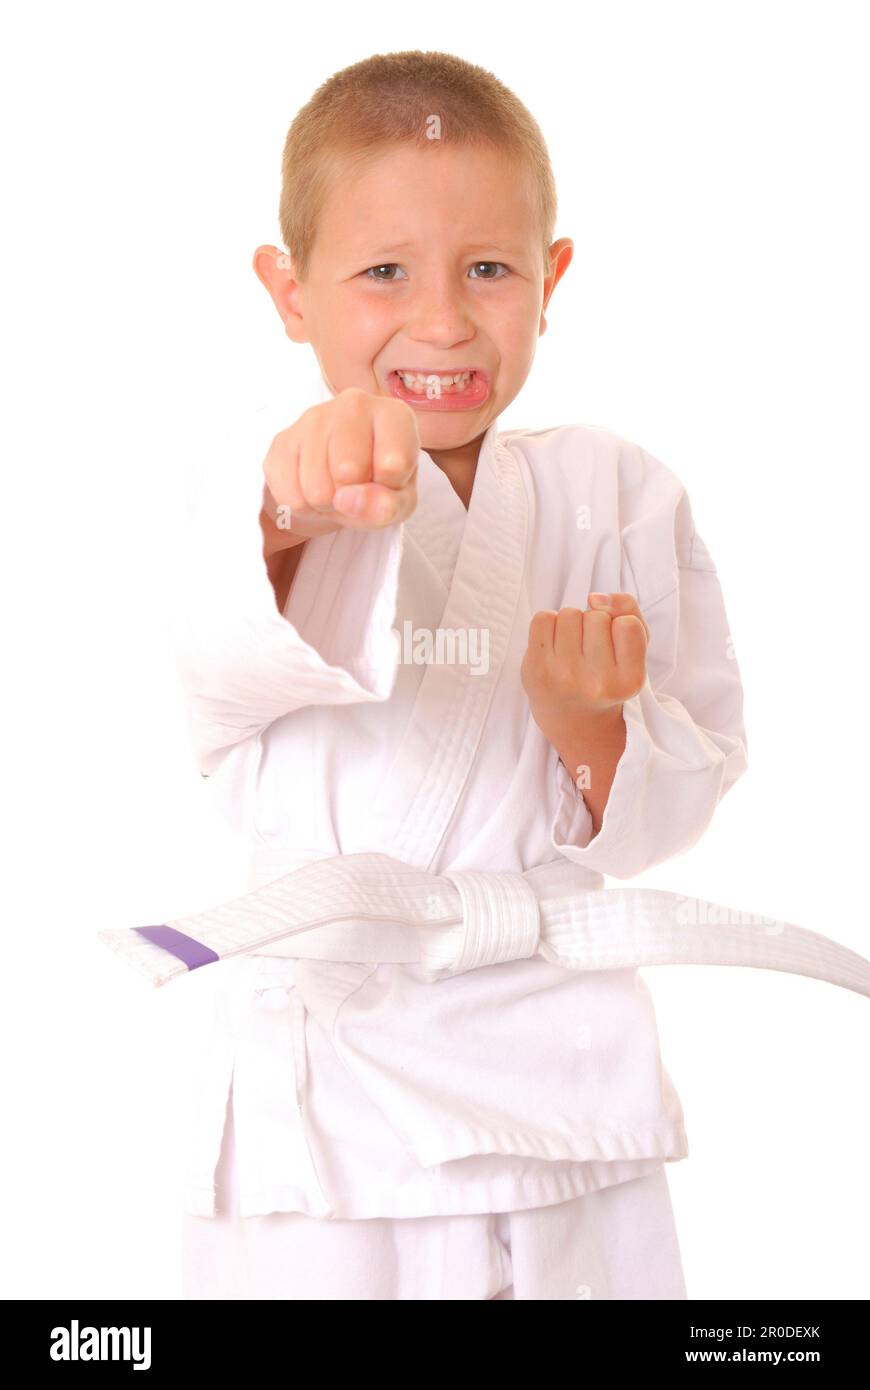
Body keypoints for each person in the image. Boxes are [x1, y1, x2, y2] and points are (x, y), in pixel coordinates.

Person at [137, 50, 853, 1299]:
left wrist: (594, 731)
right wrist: (294, 512)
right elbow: (216, 679)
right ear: (288, 289)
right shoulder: (254, 482)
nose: (445, 320)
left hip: (563, 1075)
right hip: (327, 1117)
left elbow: (689, 784)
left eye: (488, 268)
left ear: (550, 277)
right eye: (382, 273)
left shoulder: (620, 490)